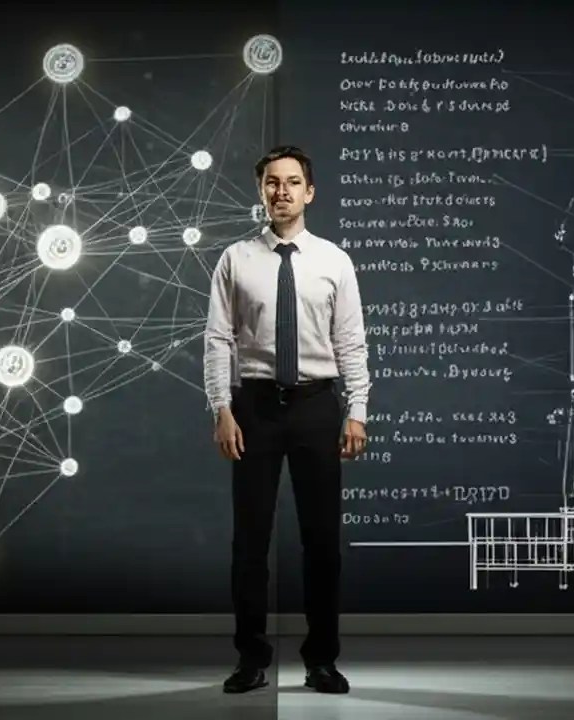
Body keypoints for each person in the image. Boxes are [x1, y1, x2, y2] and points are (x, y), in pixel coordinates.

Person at [203, 145, 371, 695]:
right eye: (272, 182)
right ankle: (250, 659)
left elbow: (350, 339)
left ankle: (322, 660)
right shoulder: (235, 258)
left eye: (292, 182)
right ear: (261, 191)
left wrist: (358, 410)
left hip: (318, 407)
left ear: (309, 192)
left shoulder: (334, 261)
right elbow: (218, 338)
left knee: (322, 541)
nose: (282, 191)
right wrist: (222, 409)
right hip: (253, 408)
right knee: (249, 542)